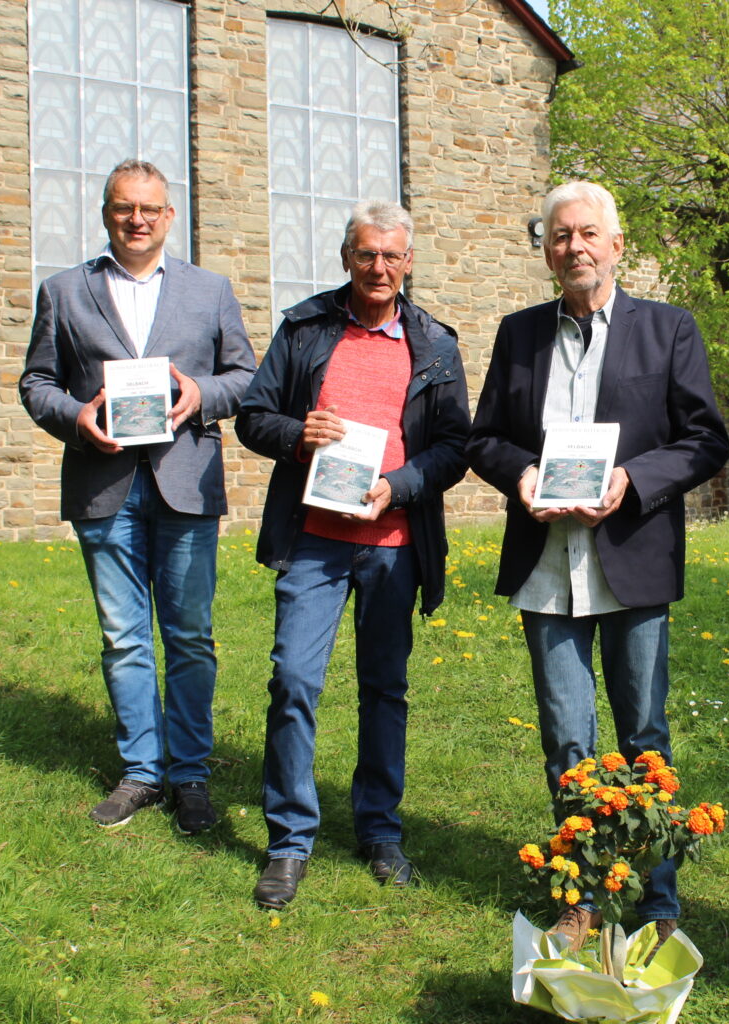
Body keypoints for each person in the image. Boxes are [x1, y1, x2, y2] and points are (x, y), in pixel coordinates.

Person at [466, 181, 729, 948]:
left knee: (644, 731)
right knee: (566, 738)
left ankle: (658, 893)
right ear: (545, 250)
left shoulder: (669, 329)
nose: (573, 247)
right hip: (549, 566)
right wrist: (518, 476)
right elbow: (485, 436)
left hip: (633, 559)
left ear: (617, 244)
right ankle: (580, 889)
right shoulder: (519, 336)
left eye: (587, 234)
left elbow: (705, 438)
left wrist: (633, 480)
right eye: (558, 236)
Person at [236, 200, 470, 908]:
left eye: (393, 256)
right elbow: (252, 415)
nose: (380, 268)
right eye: (367, 254)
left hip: (394, 543)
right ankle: (289, 841)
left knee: (384, 689)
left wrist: (399, 486)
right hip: (315, 539)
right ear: (347, 258)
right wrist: (295, 434)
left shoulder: (435, 343)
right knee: (293, 681)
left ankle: (379, 829)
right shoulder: (307, 327)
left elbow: (456, 445)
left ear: (408, 263)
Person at [19, 159, 255, 834]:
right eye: (125, 208)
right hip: (105, 485)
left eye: (150, 208)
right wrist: (75, 418)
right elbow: (37, 383)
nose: (138, 219)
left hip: (185, 482)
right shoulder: (65, 292)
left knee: (189, 637)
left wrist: (200, 395)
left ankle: (190, 774)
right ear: (106, 214)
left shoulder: (208, 291)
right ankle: (141, 772)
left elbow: (246, 375)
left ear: (169, 215)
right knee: (124, 637)